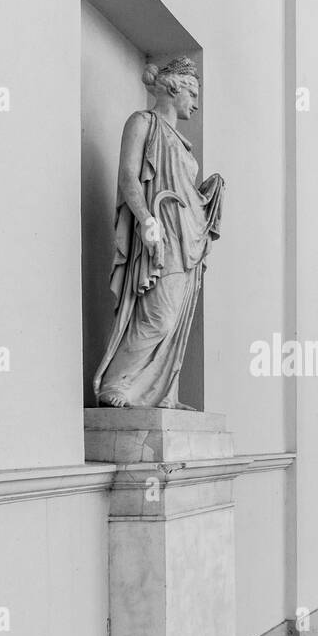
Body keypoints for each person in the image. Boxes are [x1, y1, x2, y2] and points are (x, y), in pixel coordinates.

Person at [93, 57, 225, 408]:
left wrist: (206, 196)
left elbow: (184, 194)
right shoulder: (142, 122)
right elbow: (128, 177)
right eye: (192, 92)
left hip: (188, 240)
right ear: (172, 87)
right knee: (157, 315)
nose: (195, 103)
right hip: (161, 233)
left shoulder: (182, 144)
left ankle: (163, 395)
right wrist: (147, 222)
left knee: (176, 321)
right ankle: (114, 383)